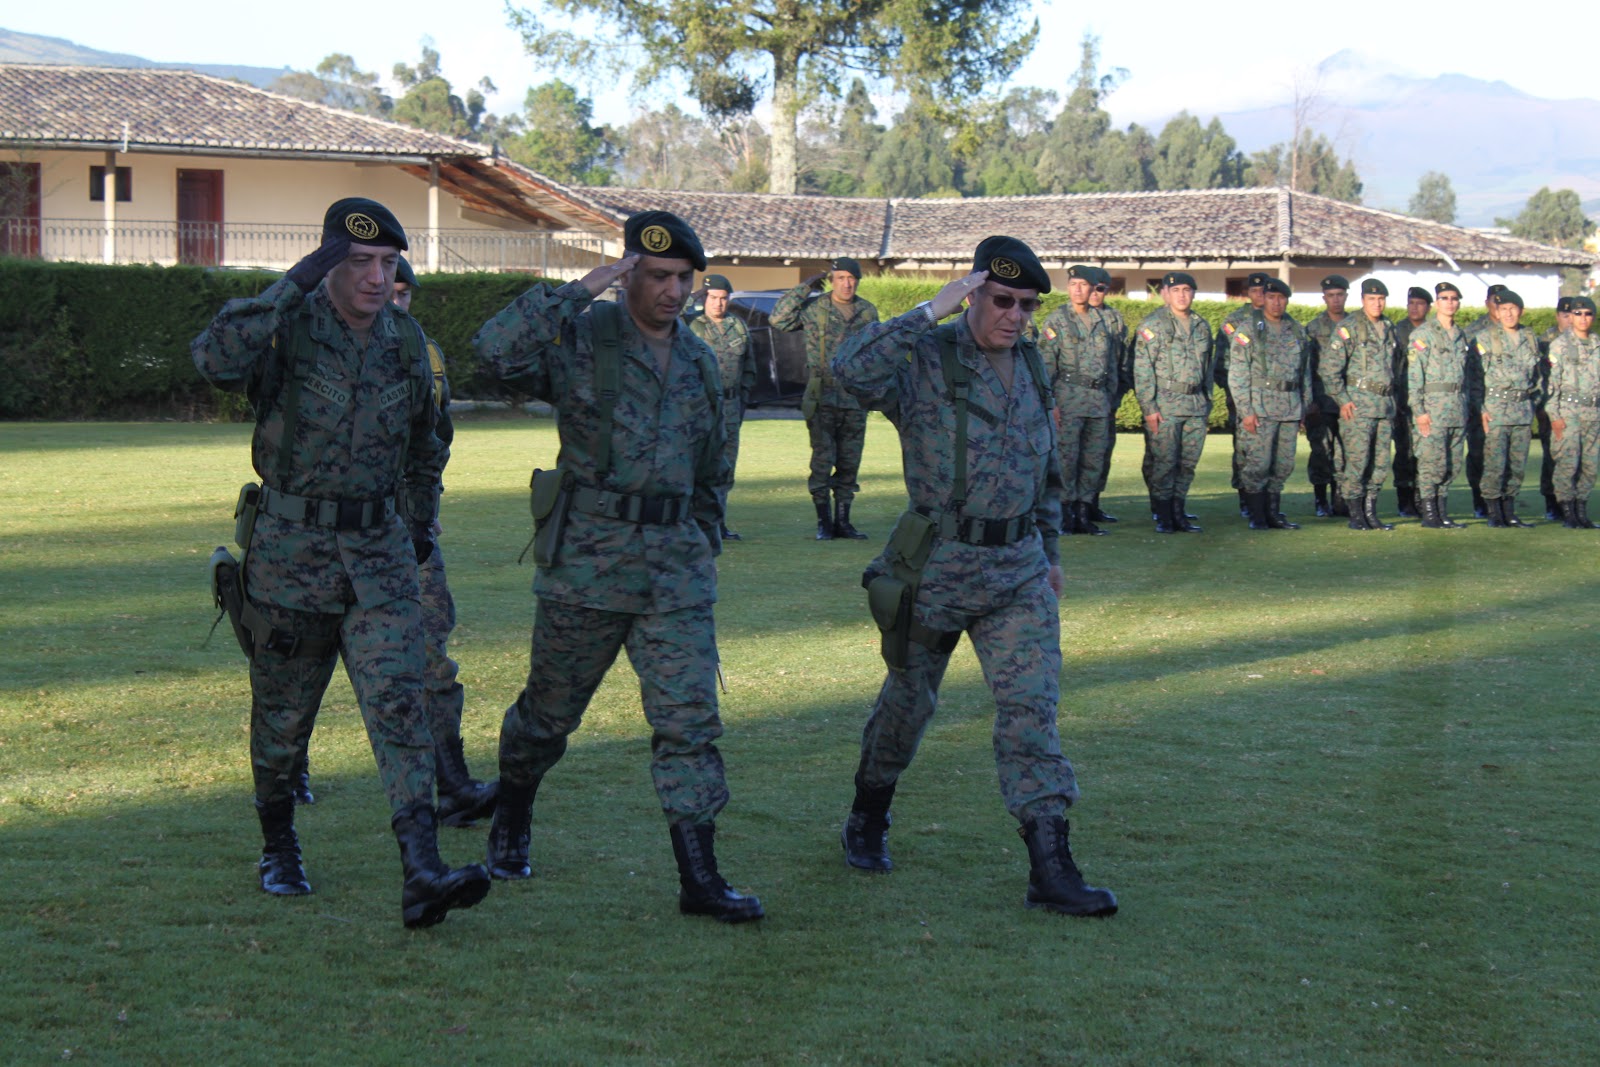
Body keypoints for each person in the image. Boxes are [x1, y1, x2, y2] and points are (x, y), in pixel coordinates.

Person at [193, 197, 490, 928]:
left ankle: (422, 868)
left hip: (380, 555)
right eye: (358, 262)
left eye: (387, 263)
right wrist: (291, 283)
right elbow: (212, 357)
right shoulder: (286, 328)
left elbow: (430, 442)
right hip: (292, 555)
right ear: (329, 262)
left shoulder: (406, 341)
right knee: (285, 717)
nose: (375, 277)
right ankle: (278, 842)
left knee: (400, 704)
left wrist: (418, 525)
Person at [473, 210, 762, 923]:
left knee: (689, 719)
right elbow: (492, 350)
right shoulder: (582, 338)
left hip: (674, 568)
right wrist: (583, 287)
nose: (673, 291)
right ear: (630, 272)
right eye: (657, 275)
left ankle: (700, 875)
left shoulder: (699, 359)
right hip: (590, 562)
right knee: (548, 714)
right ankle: (512, 807)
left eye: (683, 278)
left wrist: (702, 539)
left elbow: (714, 466)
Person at [833, 235, 1116, 917]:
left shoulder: (1034, 364)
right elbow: (849, 373)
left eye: (1026, 303)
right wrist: (928, 311)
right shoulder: (925, 357)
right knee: (908, 704)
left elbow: (1044, 470)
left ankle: (1050, 863)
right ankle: (869, 810)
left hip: (1017, 569)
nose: (1015, 314)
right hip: (939, 567)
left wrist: (1049, 552)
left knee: (1031, 712)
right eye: (1001, 300)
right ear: (972, 295)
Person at [388, 258, 499, 827]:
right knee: (305, 660)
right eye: (387, 286)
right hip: (326, 531)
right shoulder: (319, 345)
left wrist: (426, 513)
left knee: (432, 651)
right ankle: (291, 772)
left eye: (405, 291)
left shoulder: (427, 355)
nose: (394, 298)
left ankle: (452, 781)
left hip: (410, 531)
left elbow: (439, 439)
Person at [771, 256, 880, 540]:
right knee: (822, 460)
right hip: (822, 397)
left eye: (851, 278)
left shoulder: (867, 312)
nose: (847, 283)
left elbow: (877, 352)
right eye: (841, 277)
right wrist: (803, 287)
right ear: (832, 280)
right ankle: (824, 523)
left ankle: (844, 522)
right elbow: (778, 319)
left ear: (858, 280)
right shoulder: (816, 308)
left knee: (849, 463)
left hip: (854, 399)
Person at [1038, 265, 1120, 535]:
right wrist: (1051, 404)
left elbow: (1111, 365)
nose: (1078, 289)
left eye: (1083, 284)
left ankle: (1084, 513)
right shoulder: (1057, 320)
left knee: (1093, 460)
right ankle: (1064, 515)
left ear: (1092, 288)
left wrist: (1110, 399)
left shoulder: (1104, 321)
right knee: (1066, 459)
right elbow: (1046, 367)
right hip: (1068, 399)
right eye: (1073, 284)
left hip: (1098, 401)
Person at [1134, 271, 1215, 533]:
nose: (1182, 295)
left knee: (1188, 463)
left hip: (1195, 405)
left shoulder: (1202, 326)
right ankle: (1163, 514)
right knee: (1164, 462)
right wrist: (1149, 407)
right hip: (1165, 404)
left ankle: (1179, 511)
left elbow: (1208, 369)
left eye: (1187, 290)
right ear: (1166, 293)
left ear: (1193, 293)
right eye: (1176, 290)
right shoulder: (1153, 325)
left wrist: (1208, 403)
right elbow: (1143, 369)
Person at [1227, 278, 1310, 530]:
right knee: (1258, 464)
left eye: (1281, 298)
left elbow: (1304, 373)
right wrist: (1246, 411)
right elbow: (1238, 374)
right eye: (1271, 297)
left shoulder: (1296, 330)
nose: (1276, 302)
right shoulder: (1248, 330)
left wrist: (1304, 407)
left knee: (1283, 464)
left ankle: (1273, 513)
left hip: (1289, 407)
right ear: (1263, 298)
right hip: (1260, 408)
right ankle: (1257, 516)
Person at [1319, 279, 1398, 531]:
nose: (1377, 303)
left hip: (1384, 406)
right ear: (1363, 300)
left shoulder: (1388, 327)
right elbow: (1329, 370)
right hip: (1358, 407)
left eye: (1381, 298)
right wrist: (1343, 400)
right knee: (1357, 461)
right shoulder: (1349, 327)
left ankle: (1371, 512)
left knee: (1380, 462)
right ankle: (1355, 514)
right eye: (1372, 299)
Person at [688, 274, 757, 541]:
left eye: (723, 298)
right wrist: (692, 297)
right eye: (712, 297)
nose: (718, 303)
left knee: (725, 468)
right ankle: (694, 524)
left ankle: (719, 523)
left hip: (730, 406)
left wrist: (743, 400)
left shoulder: (738, 326)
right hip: (700, 406)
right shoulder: (691, 326)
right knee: (697, 466)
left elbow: (749, 368)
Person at [1472, 289, 1543, 527]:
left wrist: (1533, 402)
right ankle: (1494, 512)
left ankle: (1510, 510)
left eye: (1513, 309)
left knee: (1517, 465)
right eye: (1503, 309)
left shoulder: (1530, 337)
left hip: (1522, 411)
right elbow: (1474, 379)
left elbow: (1538, 378)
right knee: (1494, 463)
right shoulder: (1484, 338)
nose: (1509, 314)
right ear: (1496, 311)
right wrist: (1482, 409)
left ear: (1520, 311)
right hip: (1496, 410)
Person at [1406, 282, 1472, 529]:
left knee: (1452, 463)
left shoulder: (1460, 335)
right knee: (1430, 462)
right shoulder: (1423, 334)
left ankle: (1442, 512)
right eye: (1444, 298)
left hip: (1457, 408)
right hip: (1433, 409)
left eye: (1454, 298)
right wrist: (1419, 411)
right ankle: (1429, 513)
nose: (1450, 302)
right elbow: (1415, 377)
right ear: (1436, 303)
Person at [1216, 272, 1270, 516]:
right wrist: (1234, 392)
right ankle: (1244, 497)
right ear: (1248, 293)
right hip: (1241, 396)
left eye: (1264, 291)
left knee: (1270, 447)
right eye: (1255, 290)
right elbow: (1221, 361)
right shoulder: (1234, 321)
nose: (1259, 295)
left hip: (1271, 398)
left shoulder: (1276, 320)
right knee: (1243, 448)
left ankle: (1265, 498)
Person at [1545, 296, 1600, 528]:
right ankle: (1567, 511)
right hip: (1568, 412)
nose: (1583, 318)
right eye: (1578, 314)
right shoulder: (1559, 346)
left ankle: (1581, 509)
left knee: (1590, 465)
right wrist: (1554, 416)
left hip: (1593, 412)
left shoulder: (1598, 345)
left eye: (1588, 314)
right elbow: (1550, 386)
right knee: (1567, 463)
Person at [1304, 275, 1351, 517]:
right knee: (1322, 451)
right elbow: (1305, 369)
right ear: (1324, 298)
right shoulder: (1312, 329)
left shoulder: (1354, 326)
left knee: (1346, 452)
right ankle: (1321, 500)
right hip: (1320, 402)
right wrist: (1308, 400)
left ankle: (1341, 499)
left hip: (1348, 402)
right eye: (1331, 295)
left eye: (1340, 295)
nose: (1336, 300)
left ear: (1346, 296)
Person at [1087, 268, 1129, 524]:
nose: (1095, 293)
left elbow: (1123, 362)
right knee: (1073, 457)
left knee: (1101, 454)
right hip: (1077, 400)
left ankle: (1093, 503)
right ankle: (1072, 507)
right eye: (1091, 287)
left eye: (1101, 288)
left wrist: (1117, 396)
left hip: (1106, 399)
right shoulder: (1069, 318)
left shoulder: (1115, 319)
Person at [1463, 284, 1507, 517]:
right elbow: (1467, 371)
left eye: (1504, 303)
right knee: (1479, 454)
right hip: (1479, 403)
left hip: (1507, 406)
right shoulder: (1473, 331)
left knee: (1505, 456)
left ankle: (1501, 503)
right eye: (1495, 302)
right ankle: (1479, 500)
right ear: (1487, 303)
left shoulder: (1516, 332)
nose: (1499, 307)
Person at [1391, 286, 1433, 517]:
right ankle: (1405, 499)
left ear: (1428, 307)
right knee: (1404, 451)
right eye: (1411, 303)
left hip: (1428, 402)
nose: (1414, 307)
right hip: (1402, 401)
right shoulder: (1397, 331)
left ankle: (1422, 497)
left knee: (1426, 451)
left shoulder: (1432, 332)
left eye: (1419, 303)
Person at [1537, 297, 1575, 519]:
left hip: (1575, 410)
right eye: (1565, 315)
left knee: (1573, 457)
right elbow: (1540, 377)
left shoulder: (1581, 340)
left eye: (1573, 314)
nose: (1570, 319)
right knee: (1552, 456)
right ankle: (1552, 501)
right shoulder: (1545, 341)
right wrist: (1542, 409)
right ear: (1557, 315)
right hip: (1550, 407)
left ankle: (1570, 502)